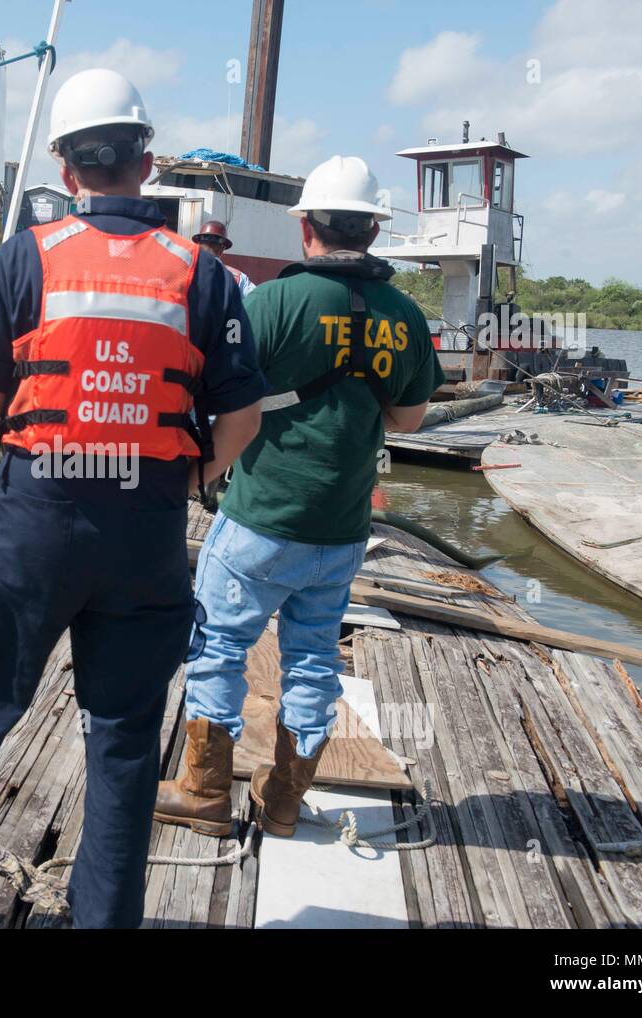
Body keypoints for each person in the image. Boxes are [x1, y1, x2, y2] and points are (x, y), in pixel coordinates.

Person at [0, 68, 266, 929]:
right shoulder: (202, 275)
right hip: (145, 530)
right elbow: (243, 416)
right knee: (127, 739)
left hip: (34, 521)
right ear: (145, 161)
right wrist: (190, 480)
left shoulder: (26, 258)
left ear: (67, 170)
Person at [154, 155, 445, 838]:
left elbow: (215, 397)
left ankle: (203, 793)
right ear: (375, 228)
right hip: (342, 532)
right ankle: (283, 799)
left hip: (259, 519)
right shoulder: (405, 316)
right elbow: (407, 420)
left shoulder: (272, 302)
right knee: (313, 658)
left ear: (306, 227)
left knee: (220, 647)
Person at [193, 219, 256, 297]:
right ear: (222, 249)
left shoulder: (184, 270)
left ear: (198, 246)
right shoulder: (238, 277)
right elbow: (256, 300)